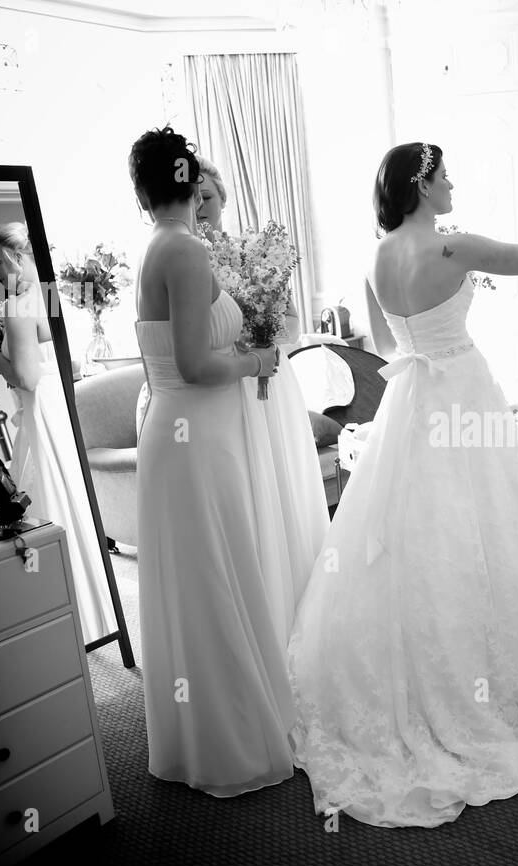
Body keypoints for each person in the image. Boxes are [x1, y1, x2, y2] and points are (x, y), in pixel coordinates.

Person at [288, 140, 518, 828]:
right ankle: (481, 690)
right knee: (485, 530)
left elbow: (385, 348)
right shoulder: (450, 247)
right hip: (462, 392)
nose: (453, 186)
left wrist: (426, 353)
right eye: (444, 176)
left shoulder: (377, 257)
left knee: (413, 535)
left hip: (409, 404)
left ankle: (403, 677)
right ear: (421, 184)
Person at [129, 126, 293, 796]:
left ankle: (202, 738)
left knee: (202, 577)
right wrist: (257, 359)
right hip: (194, 437)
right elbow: (196, 366)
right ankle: (231, 747)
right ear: (190, 182)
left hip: (181, 436)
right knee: (215, 575)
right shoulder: (186, 253)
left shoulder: (158, 248)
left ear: (142, 191)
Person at [195, 155, 328, 622]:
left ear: (223, 200)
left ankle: (305, 603)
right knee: (247, 494)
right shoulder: (184, 262)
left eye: (206, 196)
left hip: (273, 382)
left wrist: (263, 331)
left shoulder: (256, 253)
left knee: (284, 480)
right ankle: (261, 611)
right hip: (229, 388)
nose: (199, 205)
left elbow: (293, 324)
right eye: (190, 197)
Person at [0, 222, 118, 647]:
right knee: (70, 503)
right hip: (60, 413)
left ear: (14, 258)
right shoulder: (49, 299)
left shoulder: (18, 303)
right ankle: (95, 610)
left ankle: (61, 617)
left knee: (41, 508)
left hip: (40, 416)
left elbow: (25, 375)